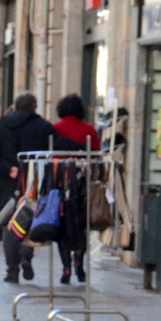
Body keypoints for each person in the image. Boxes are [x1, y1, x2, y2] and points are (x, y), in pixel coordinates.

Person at [0, 92, 72, 283]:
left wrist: (8, 169)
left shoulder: (1, 125)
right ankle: (25, 255)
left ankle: (12, 270)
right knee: (29, 220)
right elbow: (61, 144)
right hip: (33, 182)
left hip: (4, 183)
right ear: (34, 106)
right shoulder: (42, 126)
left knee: (10, 225)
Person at [52, 93, 101, 284]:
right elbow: (97, 156)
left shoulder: (56, 129)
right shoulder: (90, 130)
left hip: (61, 184)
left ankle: (65, 268)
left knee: (62, 227)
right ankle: (79, 262)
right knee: (82, 225)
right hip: (83, 184)